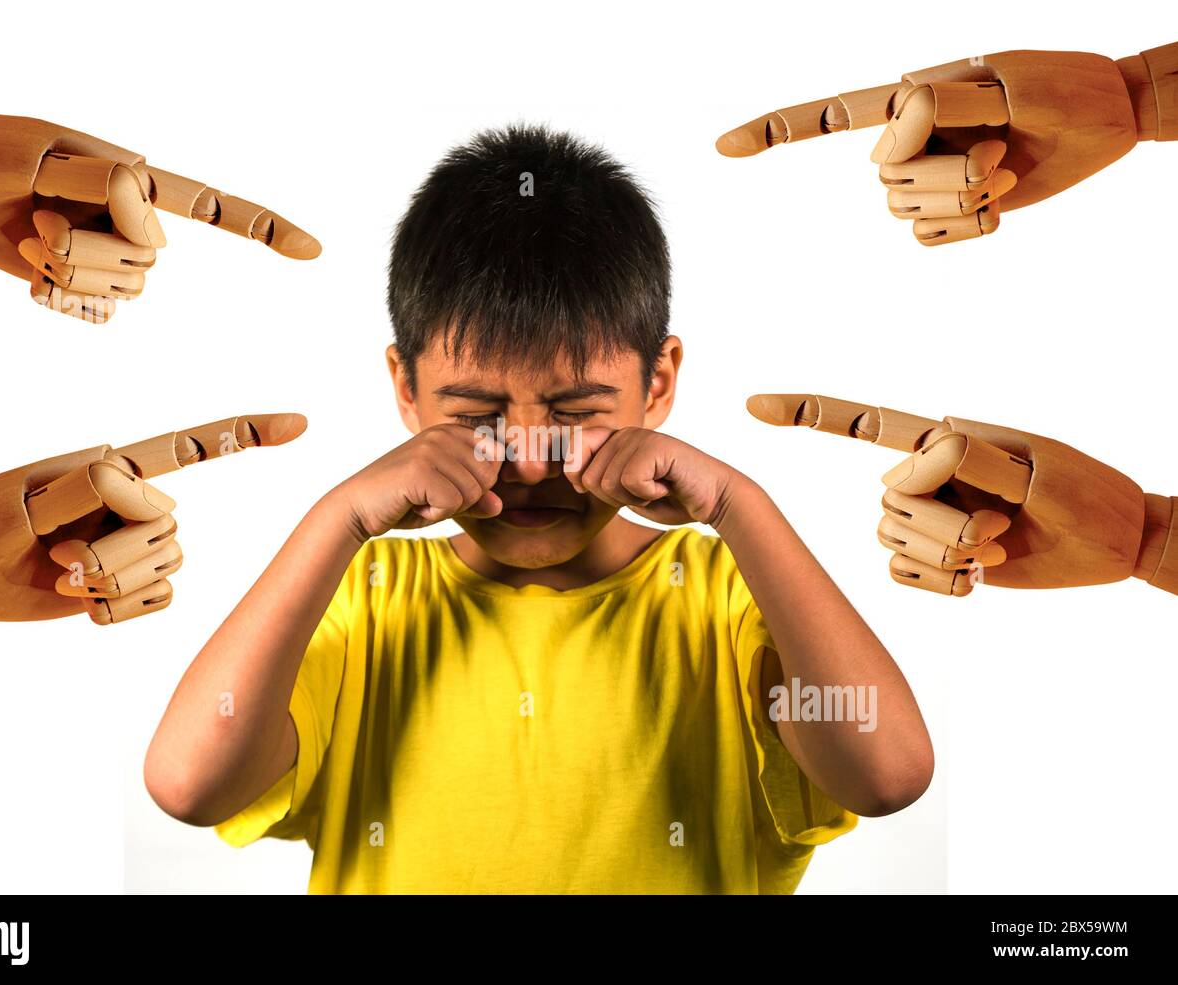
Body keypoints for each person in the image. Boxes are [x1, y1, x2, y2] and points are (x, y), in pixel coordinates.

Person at [143, 125, 934, 893]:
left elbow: (889, 773)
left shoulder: (731, 599)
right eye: (475, 415)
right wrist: (338, 518)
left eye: (576, 411)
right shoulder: (361, 597)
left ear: (658, 383)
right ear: (406, 390)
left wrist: (740, 504)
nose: (526, 462)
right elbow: (187, 782)